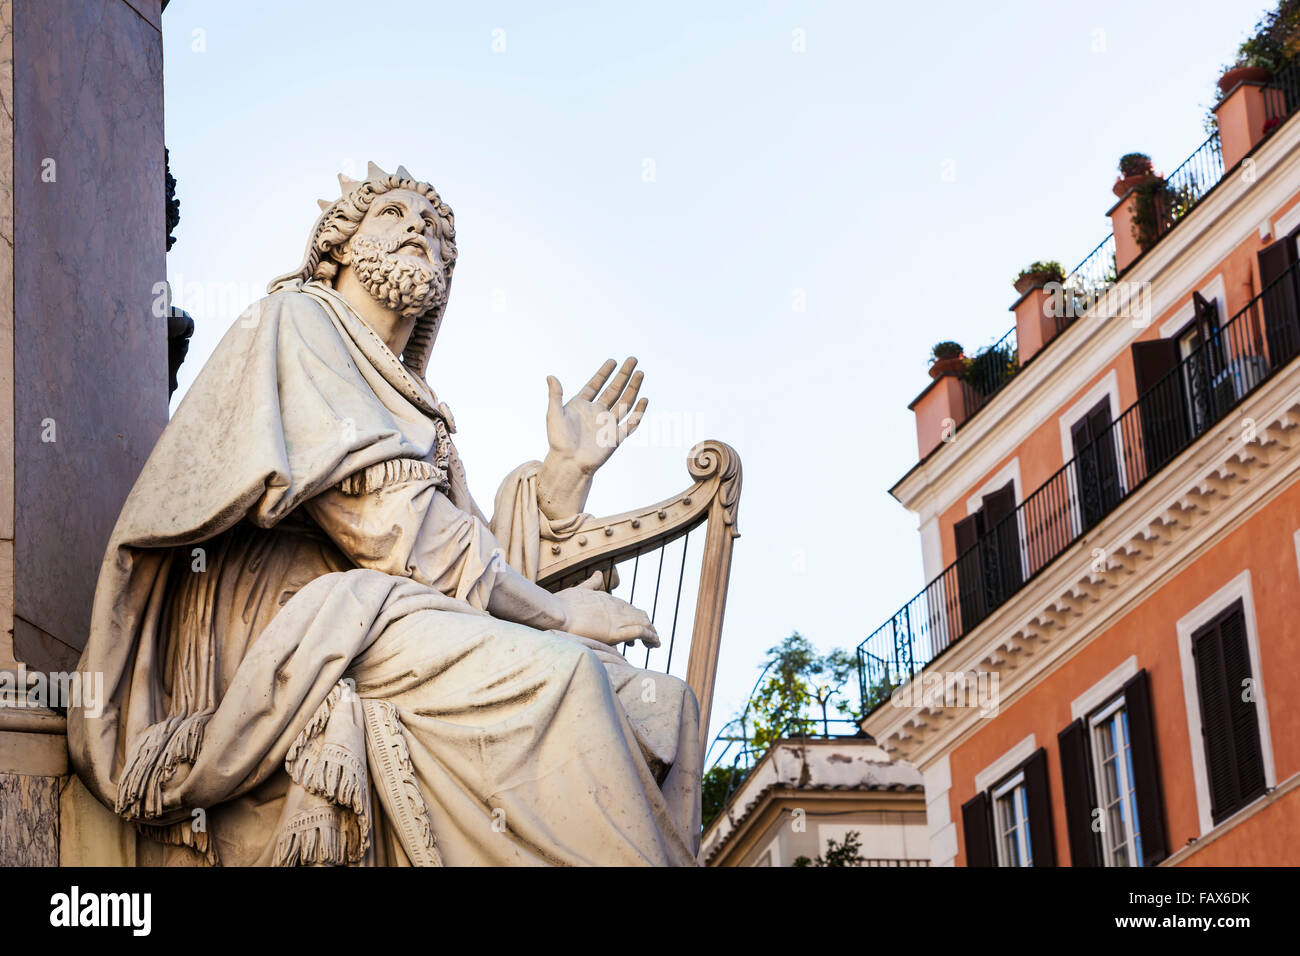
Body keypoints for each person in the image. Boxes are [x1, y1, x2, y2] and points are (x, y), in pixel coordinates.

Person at [67, 163, 701, 866]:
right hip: (298, 624)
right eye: (392, 214)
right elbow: (389, 525)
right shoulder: (299, 321)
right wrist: (558, 617)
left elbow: (465, 565)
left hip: (390, 611)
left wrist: (560, 482)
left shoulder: (417, 405)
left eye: (434, 229)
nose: (418, 230)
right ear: (337, 247)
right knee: (567, 680)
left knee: (659, 705)